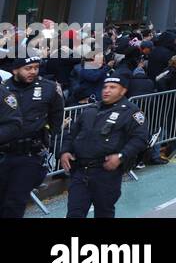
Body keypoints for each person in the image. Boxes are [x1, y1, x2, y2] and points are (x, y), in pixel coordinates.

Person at [60, 73, 150, 218]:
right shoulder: (91, 110)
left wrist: (121, 156)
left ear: (123, 91)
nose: (107, 90)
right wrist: (64, 151)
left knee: (104, 213)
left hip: (106, 173)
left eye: (113, 87)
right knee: (74, 213)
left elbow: (140, 139)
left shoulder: (131, 112)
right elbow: (72, 134)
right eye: (105, 87)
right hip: (81, 171)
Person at [1, 55, 61, 218]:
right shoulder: (4, 88)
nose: (33, 71)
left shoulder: (49, 88)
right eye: (28, 68)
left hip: (30, 155)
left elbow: (57, 117)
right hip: (5, 153)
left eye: (36, 67)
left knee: (16, 201)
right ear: (15, 70)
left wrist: (47, 139)